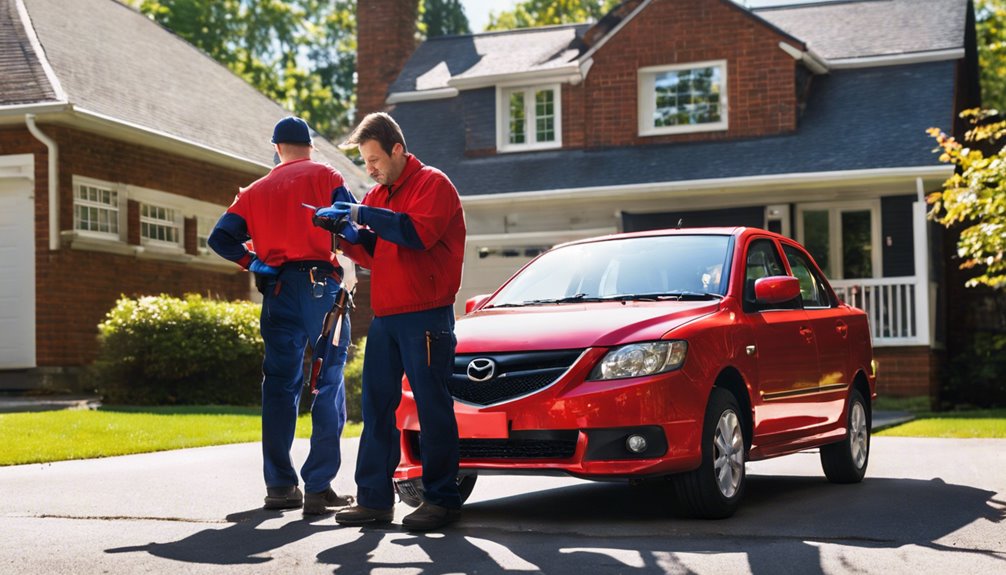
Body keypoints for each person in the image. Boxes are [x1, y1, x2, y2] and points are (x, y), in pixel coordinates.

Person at [313, 112, 466, 532]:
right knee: (376, 408)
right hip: (387, 316)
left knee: (433, 407)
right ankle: (374, 501)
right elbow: (375, 253)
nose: (370, 169)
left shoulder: (433, 184)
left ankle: (442, 501)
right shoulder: (379, 196)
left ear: (398, 149)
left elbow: (416, 234)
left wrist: (361, 213)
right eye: (365, 161)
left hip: (426, 314)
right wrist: (343, 233)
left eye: (374, 159)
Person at [207, 116, 356, 515]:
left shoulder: (254, 191)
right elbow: (348, 220)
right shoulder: (326, 175)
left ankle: (280, 486)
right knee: (327, 380)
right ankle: (318, 488)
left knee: (278, 386)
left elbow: (219, 238)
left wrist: (252, 262)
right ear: (310, 146)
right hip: (319, 286)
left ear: (276, 148)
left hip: (276, 291)